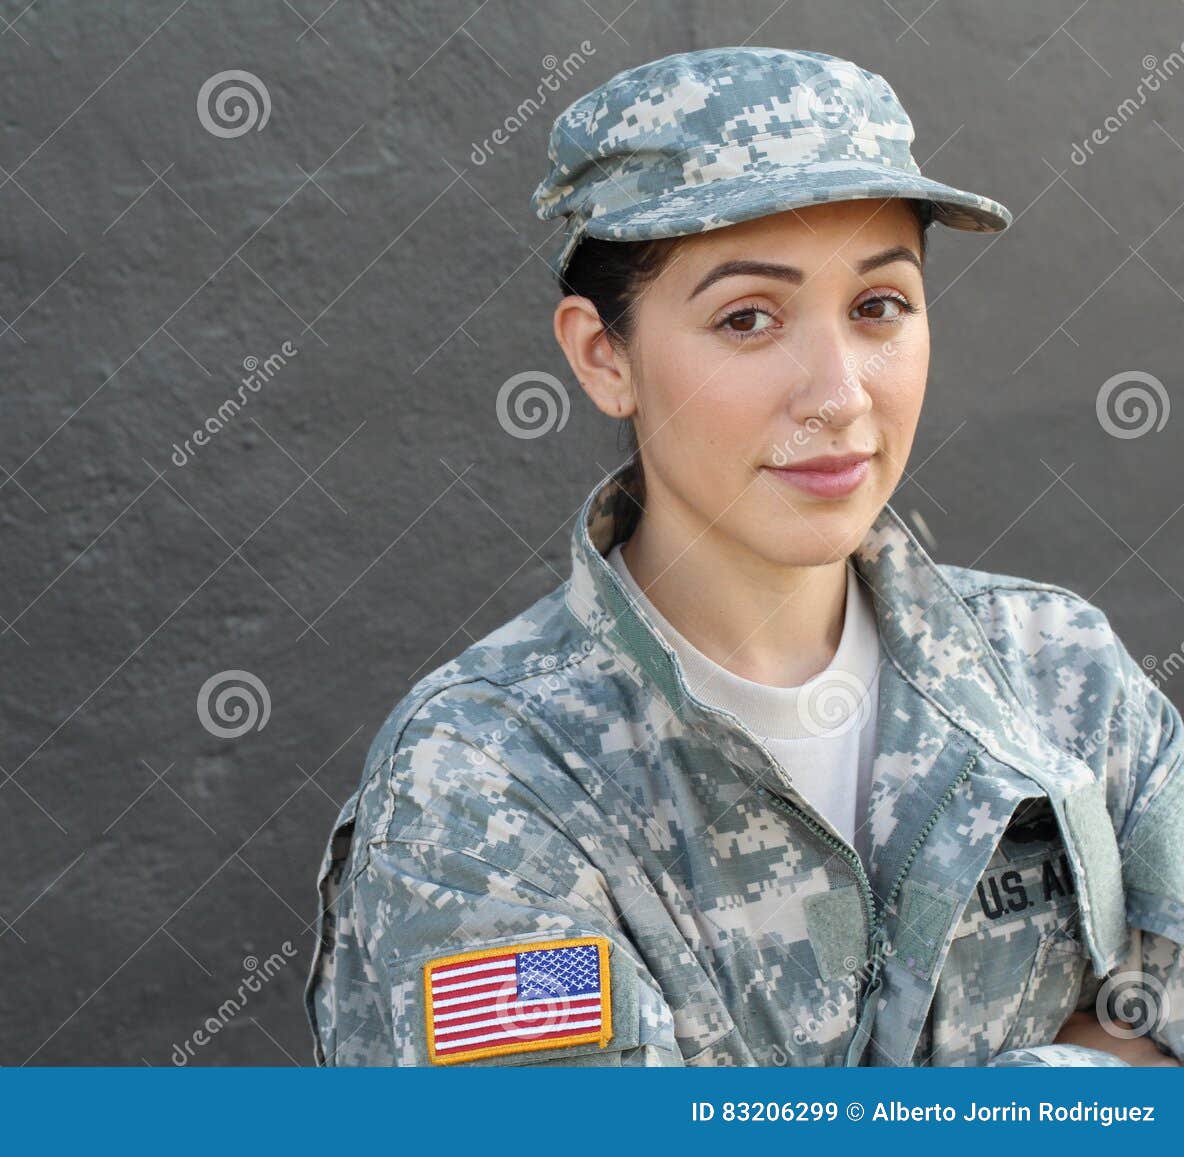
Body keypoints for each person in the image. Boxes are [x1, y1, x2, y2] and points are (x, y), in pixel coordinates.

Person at [303, 46, 1183, 1067]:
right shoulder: (490, 777)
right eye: (747, 318)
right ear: (603, 355)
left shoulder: (1054, 671)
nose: (838, 393)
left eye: (878, 307)